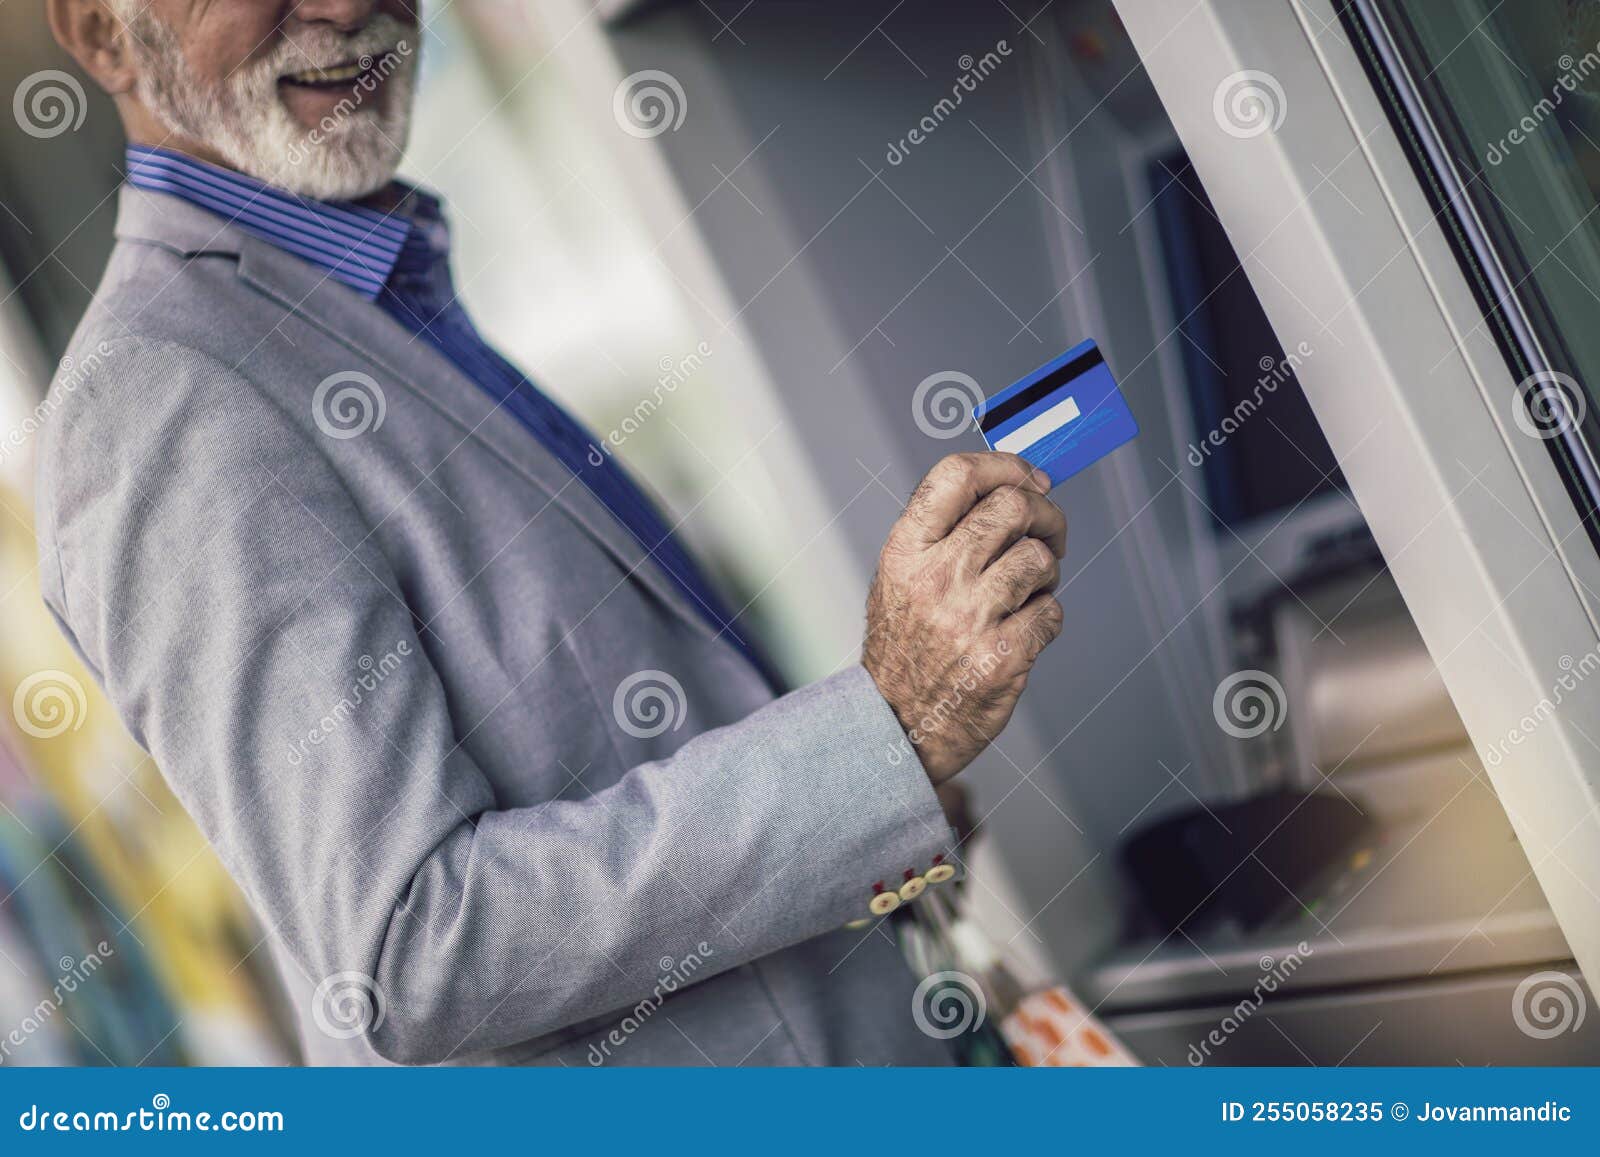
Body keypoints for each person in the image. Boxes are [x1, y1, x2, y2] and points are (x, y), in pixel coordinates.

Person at [39, 0, 1067, 1065]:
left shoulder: (362, 293)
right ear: (102, 34)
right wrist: (882, 741)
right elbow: (408, 950)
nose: (344, 8)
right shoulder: (153, 398)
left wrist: (881, 805)